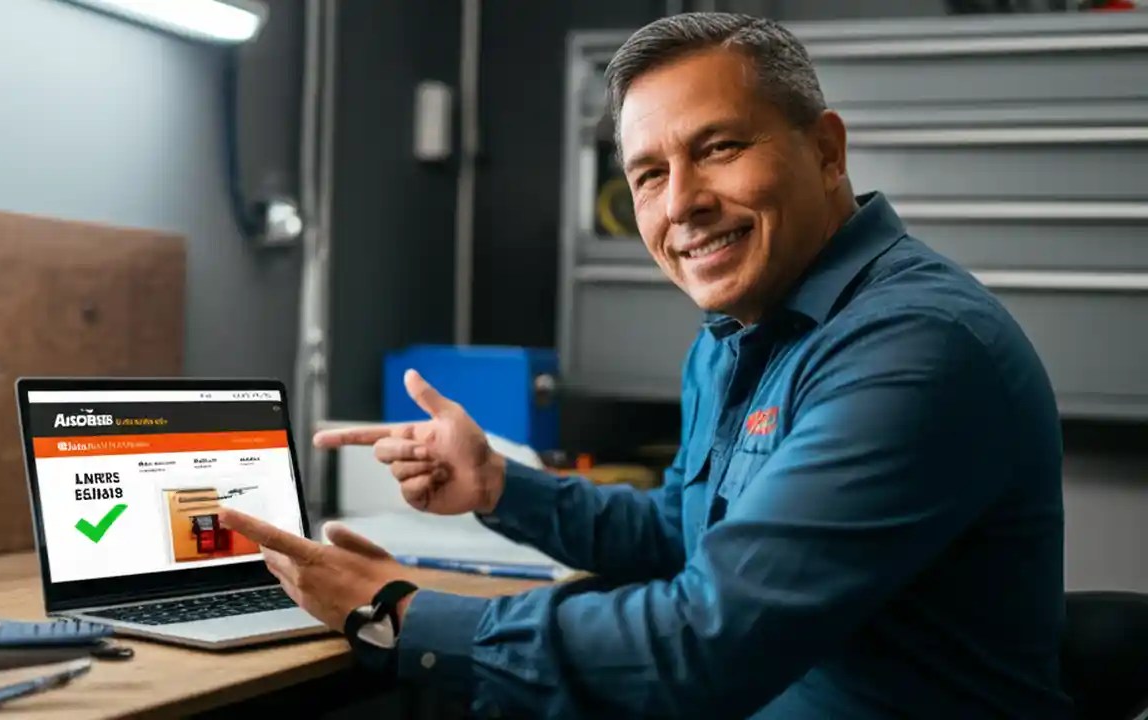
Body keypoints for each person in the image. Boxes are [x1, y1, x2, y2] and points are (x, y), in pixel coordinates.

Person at [218, 12, 1072, 719]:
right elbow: (683, 538)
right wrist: (499, 487)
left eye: (720, 147)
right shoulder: (740, 332)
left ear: (826, 151)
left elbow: (706, 642)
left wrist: (398, 612)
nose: (683, 203)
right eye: (650, 174)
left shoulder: (913, 349)